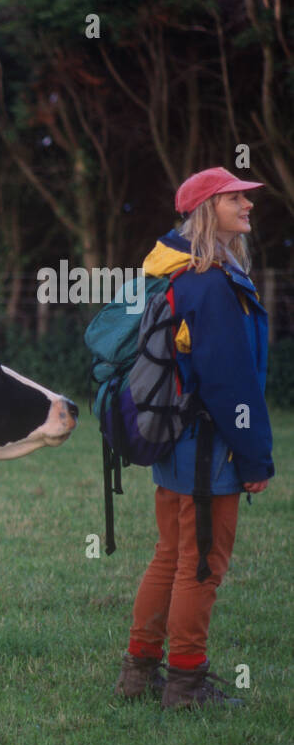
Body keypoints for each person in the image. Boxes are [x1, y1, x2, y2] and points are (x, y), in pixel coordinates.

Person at [114, 167, 275, 708]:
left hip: (176, 440)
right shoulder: (209, 284)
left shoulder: (181, 275)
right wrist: (256, 457)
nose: (248, 206)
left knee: (170, 555)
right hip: (210, 447)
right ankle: (185, 683)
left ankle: (137, 674)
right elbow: (231, 382)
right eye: (236, 199)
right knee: (202, 564)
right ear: (209, 209)